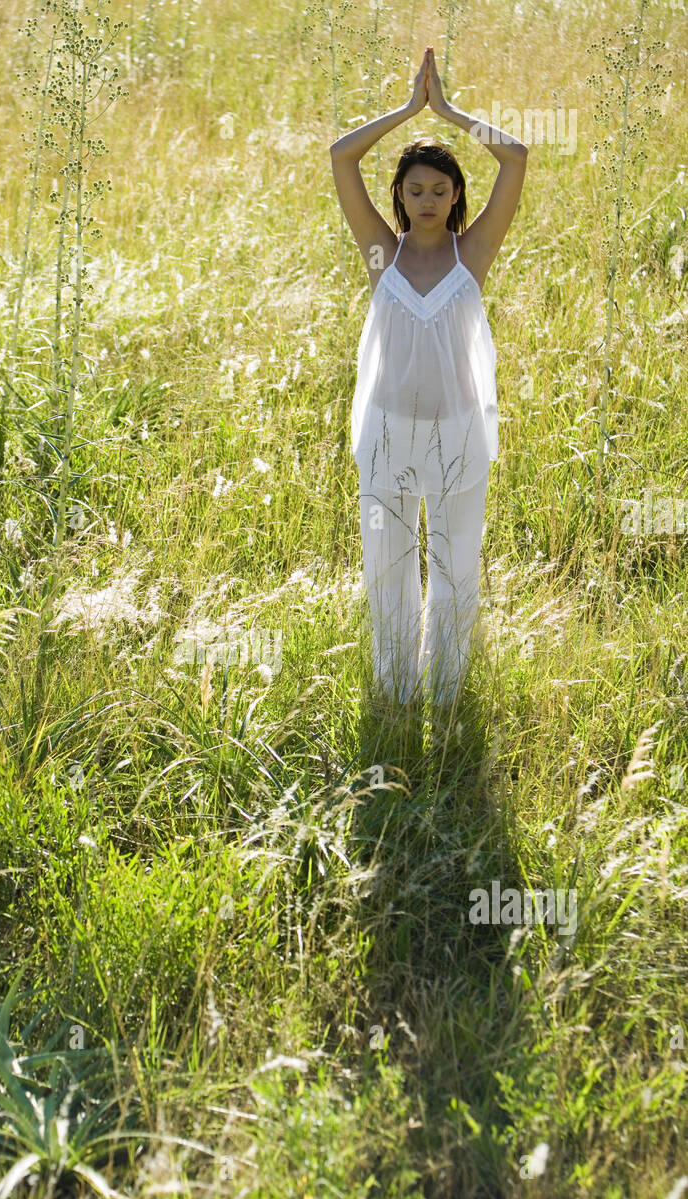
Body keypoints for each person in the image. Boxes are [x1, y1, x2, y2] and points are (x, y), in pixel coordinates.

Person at [330, 48, 527, 710]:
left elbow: (516, 156)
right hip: (386, 435)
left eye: (439, 191)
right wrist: (406, 111)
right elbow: (339, 155)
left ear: (456, 196)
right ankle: (396, 692)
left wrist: (446, 112)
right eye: (414, 190)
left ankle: (444, 696)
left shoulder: (470, 254)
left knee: (452, 569)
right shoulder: (379, 252)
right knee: (388, 573)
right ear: (397, 195)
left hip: (456, 436)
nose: (426, 201)